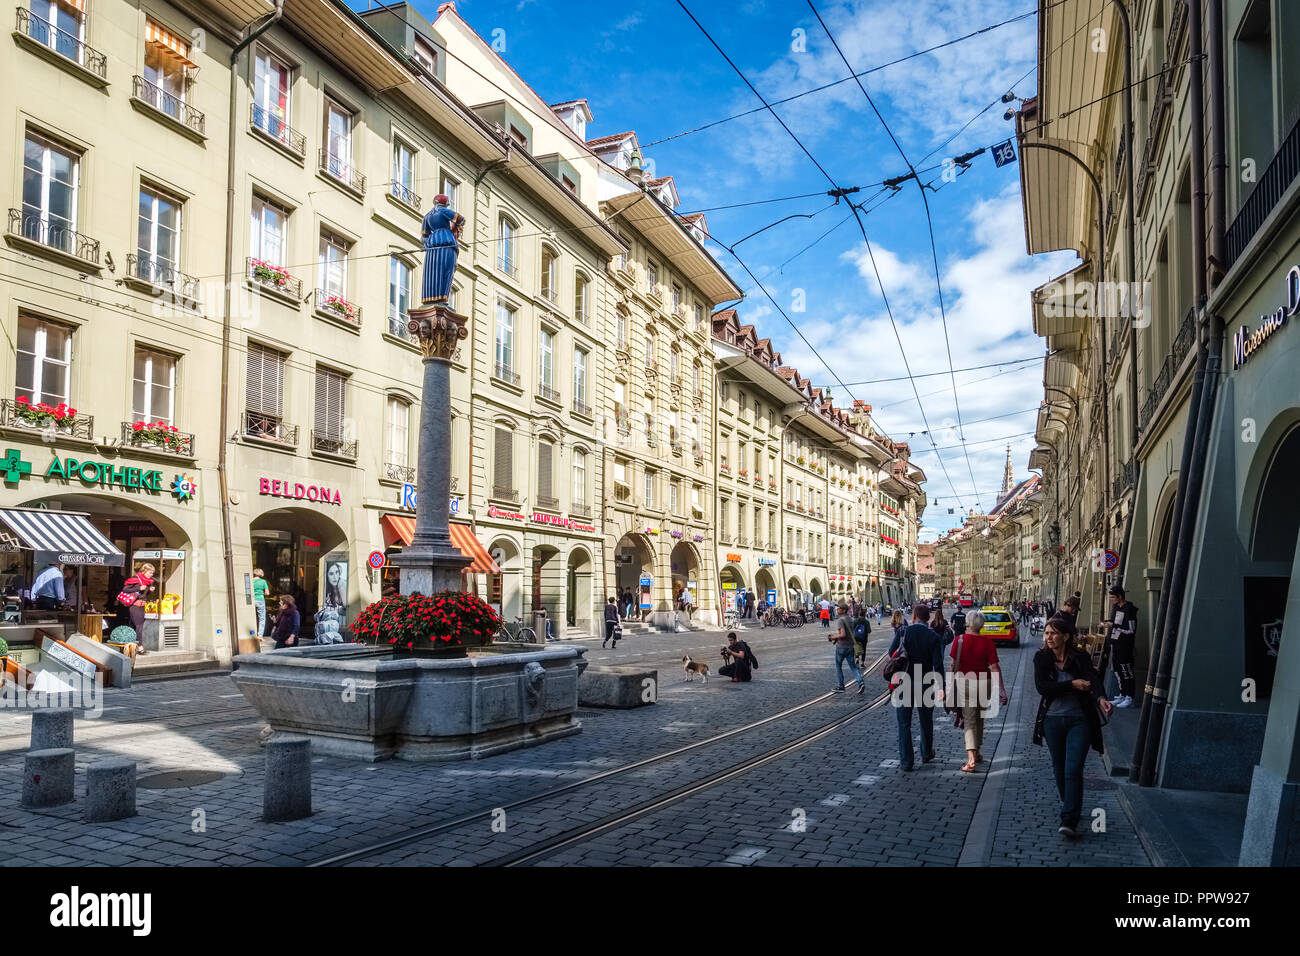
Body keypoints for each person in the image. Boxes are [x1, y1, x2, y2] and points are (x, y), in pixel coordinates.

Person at [1034, 616, 1111, 838]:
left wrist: (1101, 699)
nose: (1049, 637)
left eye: (1054, 633)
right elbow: (1043, 687)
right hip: (1052, 721)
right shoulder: (1041, 658)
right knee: (1059, 767)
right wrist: (1072, 684)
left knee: (1073, 769)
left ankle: (1069, 819)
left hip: (1080, 720)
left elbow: (1092, 679)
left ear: (1066, 636)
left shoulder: (1080, 657)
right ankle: (1068, 801)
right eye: (1047, 633)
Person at [889, 604, 944, 770]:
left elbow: (892, 652)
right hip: (925, 681)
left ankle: (906, 762)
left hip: (904, 681)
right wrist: (942, 687)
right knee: (926, 720)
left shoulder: (903, 632)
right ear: (928, 618)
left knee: (904, 723)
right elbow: (938, 664)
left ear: (914, 616)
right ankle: (926, 753)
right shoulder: (933, 637)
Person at [949, 609, 1006, 772]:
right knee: (980, 716)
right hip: (985, 683)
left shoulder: (959, 640)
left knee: (969, 720)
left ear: (968, 623)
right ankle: (978, 751)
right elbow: (995, 667)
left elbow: (953, 665)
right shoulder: (988, 642)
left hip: (965, 683)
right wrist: (1001, 690)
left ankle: (971, 760)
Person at [1100, 585, 1139, 708]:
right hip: (1115, 643)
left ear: (1120, 596)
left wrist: (1113, 626)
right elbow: (1115, 622)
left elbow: (1131, 630)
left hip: (1125, 645)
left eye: (1113, 597)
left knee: (1126, 670)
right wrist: (1107, 622)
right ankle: (1122, 694)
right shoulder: (1116, 607)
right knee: (1117, 669)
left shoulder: (1129, 609)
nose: (1111, 599)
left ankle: (1130, 696)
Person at [829, 603, 866, 693]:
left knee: (838, 666)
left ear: (844, 610)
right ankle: (861, 682)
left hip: (842, 647)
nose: (837, 610)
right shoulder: (850, 619)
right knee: (853, 667)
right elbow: (849, 633)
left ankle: (841, 686)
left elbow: (843, 634)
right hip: (850, 646)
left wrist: (833, 637)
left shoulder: (841, 620)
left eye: (839, 608)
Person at [120, 563, 156, 654]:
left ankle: (129, 645)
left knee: (133, 626)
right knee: (139, 625)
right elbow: (125, 589)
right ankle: (140, 646)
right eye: (149, 572)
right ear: (144, 570)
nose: (151, 575)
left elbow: (143, 595)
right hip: (135, 606)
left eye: (152, 573)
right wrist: (139, 587)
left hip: (142, 605)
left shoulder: (148, 581)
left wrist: (149, 590)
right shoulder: (135, 579)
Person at [852, 603, 872, 670]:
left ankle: (857, 658)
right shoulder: (866, 622)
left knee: (856, 648)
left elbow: (852, 629)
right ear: (865, 614)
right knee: (864, 649)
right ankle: (862, 663)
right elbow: (869, 631)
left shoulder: (855, 621)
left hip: (856, 637)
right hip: (864, 638)